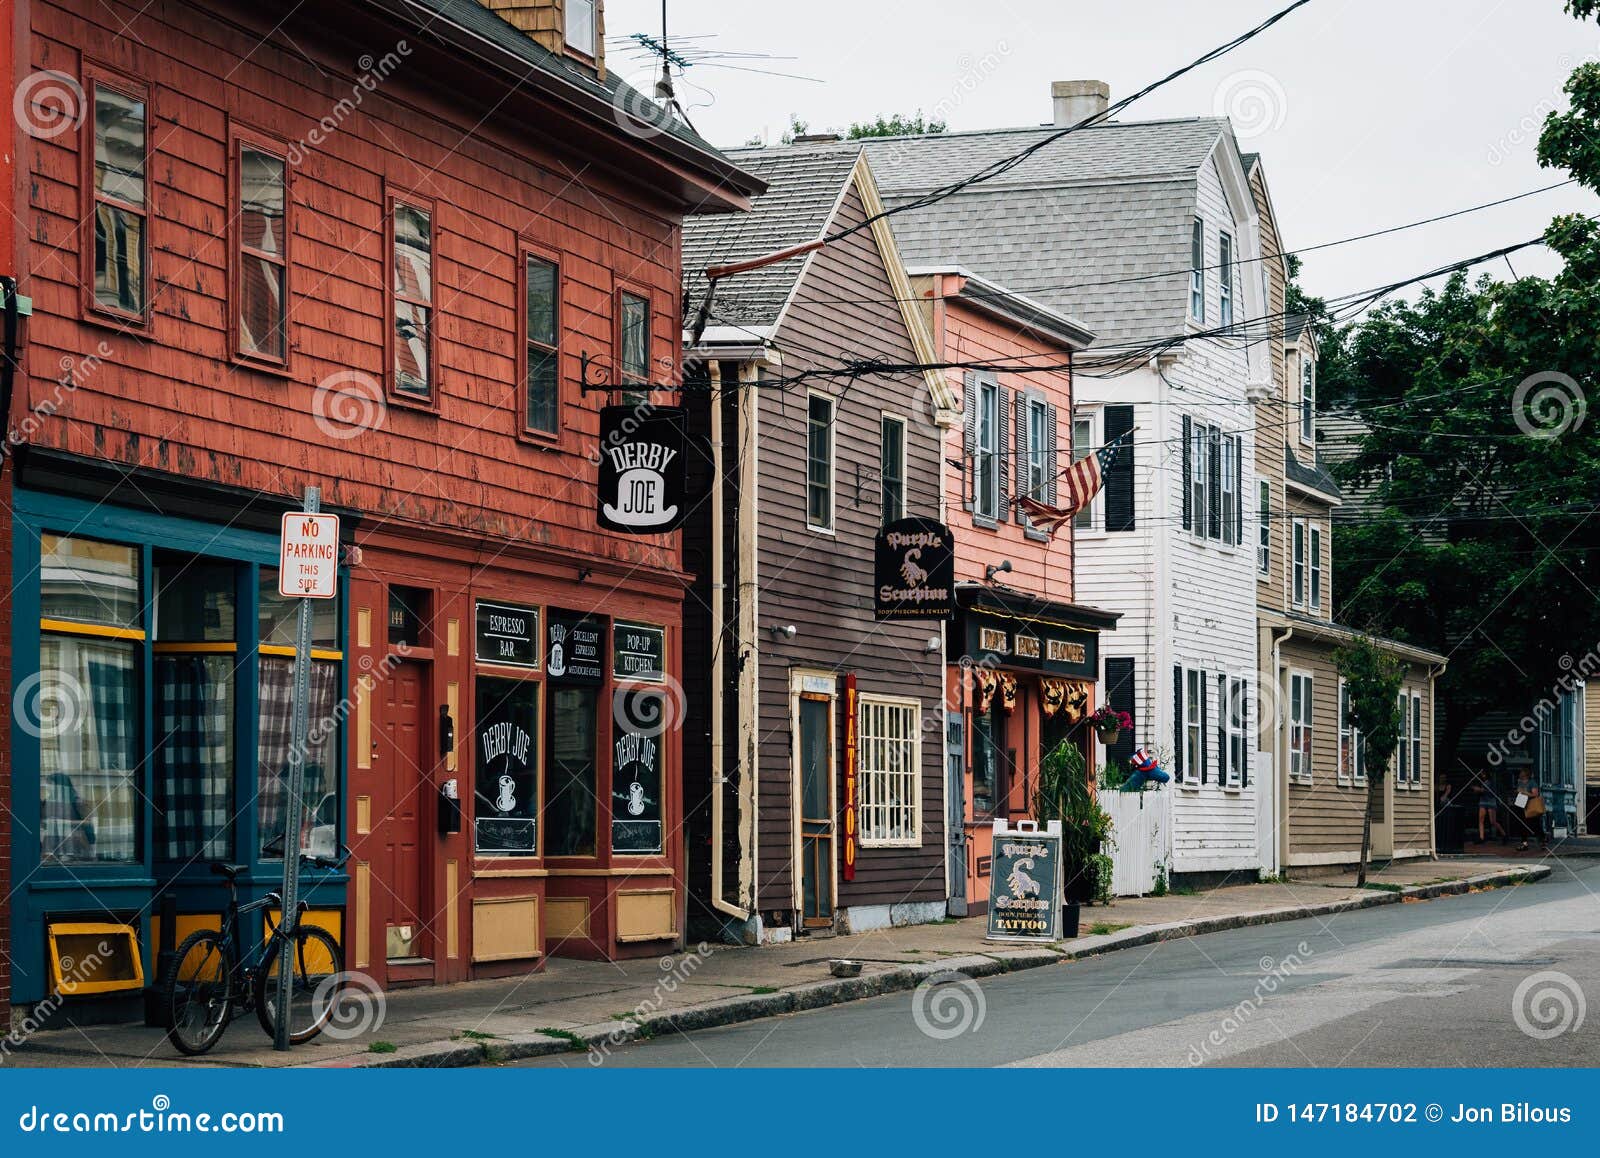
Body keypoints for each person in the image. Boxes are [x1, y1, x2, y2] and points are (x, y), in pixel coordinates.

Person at [1512, 769, 1547, 852]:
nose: (1520, 773)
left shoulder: (1532, 783)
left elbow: (1535, 794)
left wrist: (1524, 792)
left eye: (1521, 772)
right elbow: (1518, 791)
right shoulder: (1520, 782)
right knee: (1522, 824)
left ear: (1526, 774)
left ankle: (1543, 840)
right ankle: (1524, 843)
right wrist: (1517, 792)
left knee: (1535, 824)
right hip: (1521, 805)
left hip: (1531, 806)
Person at [1472, 770, 1507, 844]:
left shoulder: (1491, 782)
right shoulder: (1481, 782)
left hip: (1491, 802)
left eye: (1484, 774)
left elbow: (1489, 791)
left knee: (1493, 821)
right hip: (1483, 801)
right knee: (1481, 820)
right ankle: (1481, 838)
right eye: (1482, 774)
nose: (1483, 776)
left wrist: (1479, 789)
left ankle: (1504, 835)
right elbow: (1479, 792)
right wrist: (1476, 790)